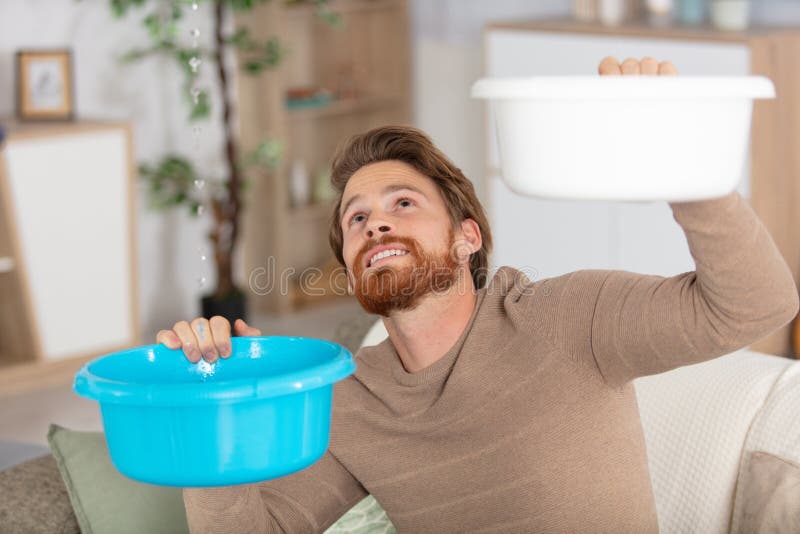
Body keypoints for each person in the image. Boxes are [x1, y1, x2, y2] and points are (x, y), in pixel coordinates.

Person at [159, 57, 799, 533]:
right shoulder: (351, 401)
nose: (375, 224)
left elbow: (759, 305)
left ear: (467, 238)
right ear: (352, 273)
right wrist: (213, 407)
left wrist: (686, 163)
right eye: (357, 218)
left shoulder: (567, 317)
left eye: (402, 204)